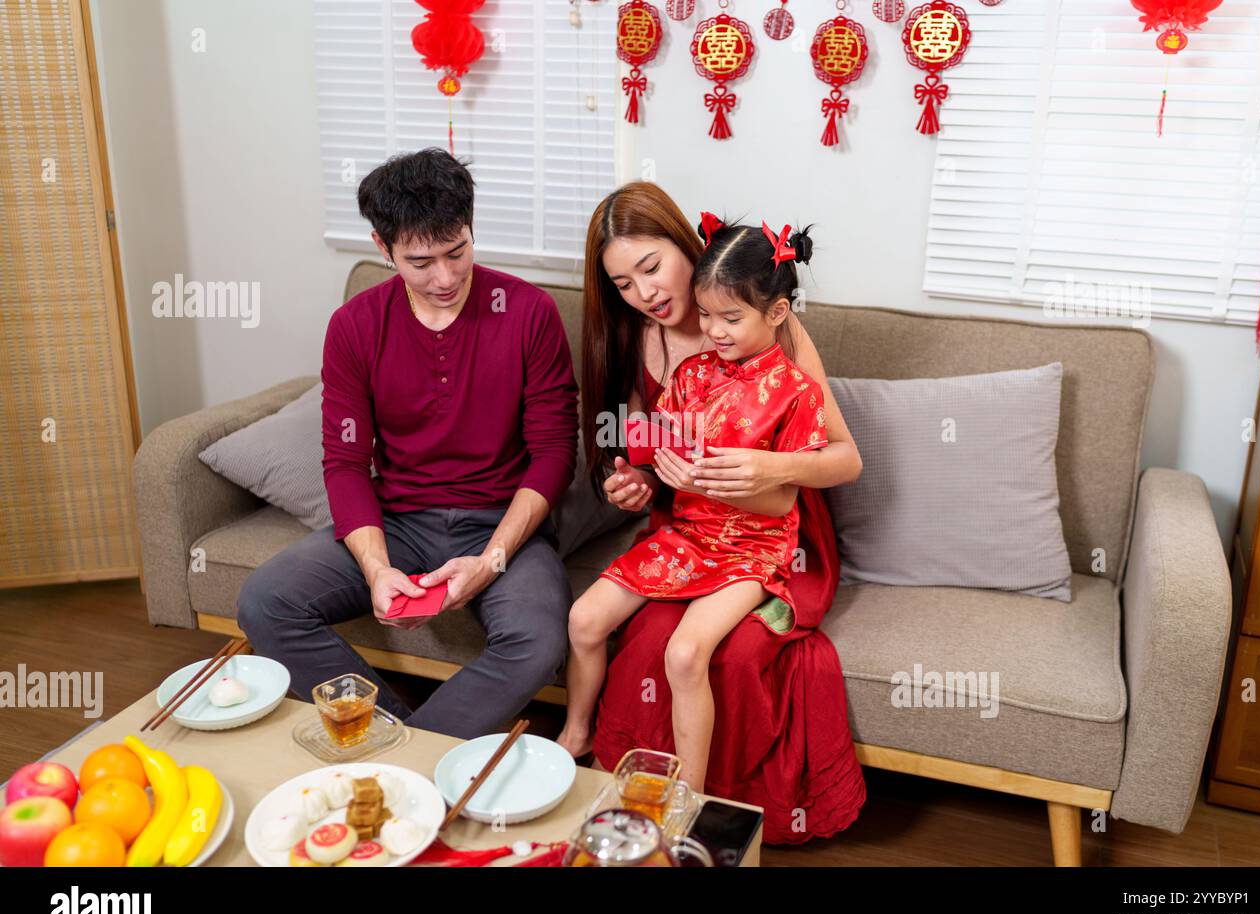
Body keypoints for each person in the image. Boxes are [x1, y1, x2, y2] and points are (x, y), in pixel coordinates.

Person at [237, 148, 578, 738]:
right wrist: (375, 570)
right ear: (382, 247)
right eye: (420, 263)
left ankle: (404, 752)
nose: (445, 278)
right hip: (398, 520)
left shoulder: (528, 313)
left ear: (472, 229)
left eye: (458, 252)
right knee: (266, 601)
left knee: (540, 640)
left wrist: (491, 560)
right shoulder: (355, 326)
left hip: (503, 523)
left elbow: (553, 455)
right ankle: (393, 735)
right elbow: (345, 462)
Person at [567, 182, 866, 843]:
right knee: (629, 637)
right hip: (688, 527)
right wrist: (639, 483)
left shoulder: (770, 328)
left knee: (697, 654)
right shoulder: (659, 353)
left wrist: (774, 467)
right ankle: (605, 764)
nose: (644, 293)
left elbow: (843, 460)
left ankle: (698, 807)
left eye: (651, 267)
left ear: (686, 246)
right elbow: (647, 452)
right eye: (623, 283)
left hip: (774, 531)